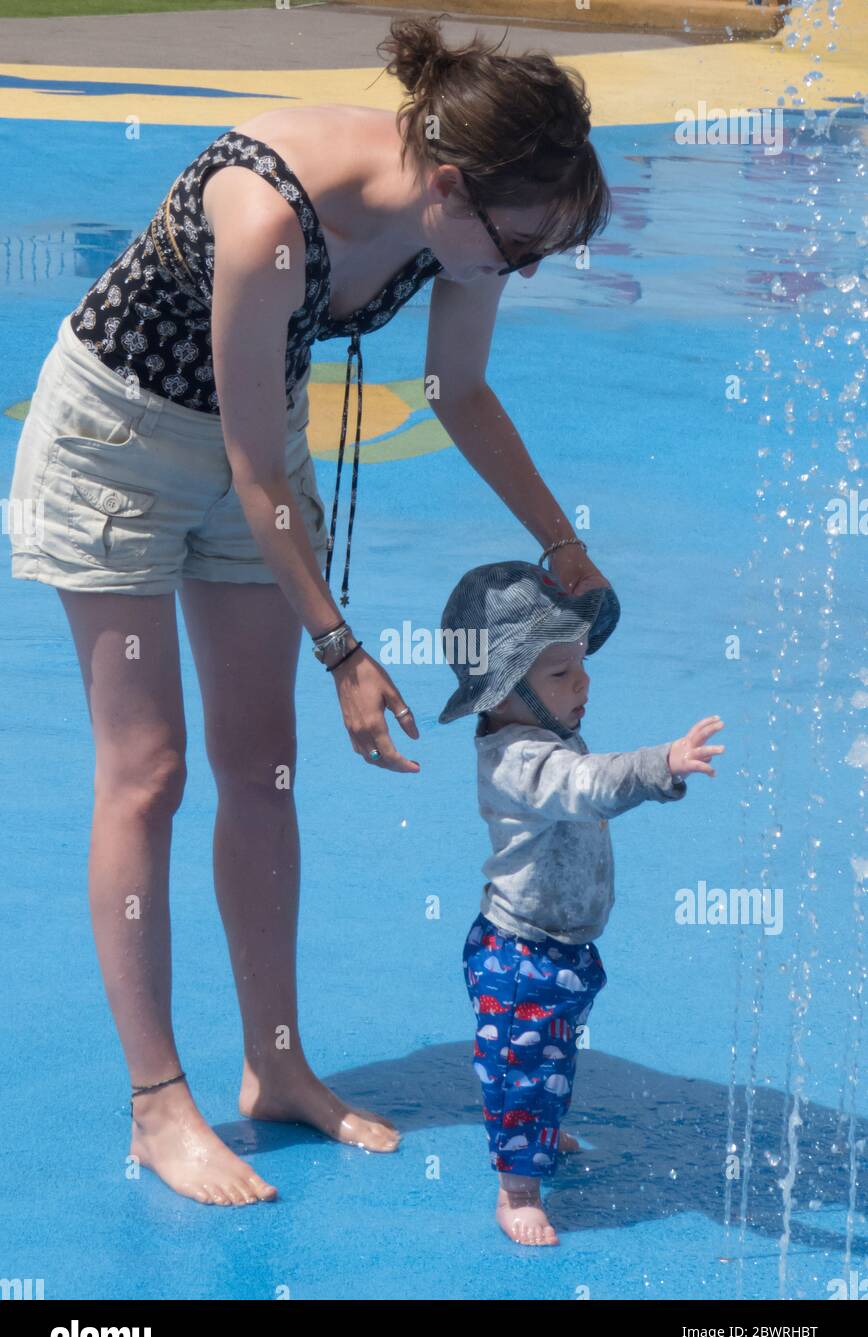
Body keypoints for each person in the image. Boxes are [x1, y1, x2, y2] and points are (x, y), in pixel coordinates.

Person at [8, 15, 615, 1207]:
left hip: (256, 459)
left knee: (261, 764)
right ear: (449, 184)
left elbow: (459, 387)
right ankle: (156, 1102)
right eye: (523, 248)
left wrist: (563, 543)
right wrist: (340, 644)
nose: (524, 270)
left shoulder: (460, 227)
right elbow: (250, 468)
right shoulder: (266, 216)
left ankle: (274, 1065)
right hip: (118, 451)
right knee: (149, 771)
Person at [437, 561, 726, 1245]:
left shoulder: (548, 737)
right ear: (505, 691)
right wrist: (662, 765)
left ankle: (539, 1127)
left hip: (561, 946)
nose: (583, 683)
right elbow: (591, 787)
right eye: (561, 674)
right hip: (521, 955)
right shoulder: (523, 761)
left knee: (551, 1056)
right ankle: (517, 1192)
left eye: (581, 665)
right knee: (521, 1067)